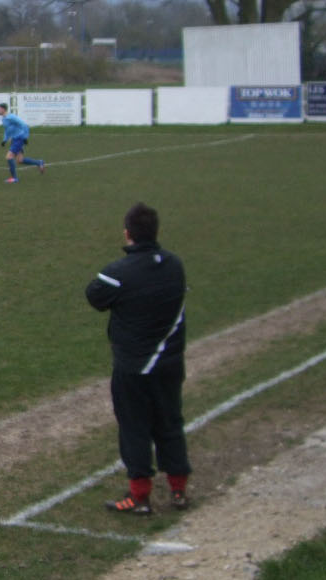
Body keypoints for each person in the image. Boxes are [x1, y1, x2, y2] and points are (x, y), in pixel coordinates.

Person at [86, 202, 191, 515]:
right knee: (170, 422)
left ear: (128, 233)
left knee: (135, 428)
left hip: (134, 366)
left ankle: (140, 496)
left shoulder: (118, 273)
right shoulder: (175, 265)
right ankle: (178, 490)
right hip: (170, 363)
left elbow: (94, 295)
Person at [0, 103, 47, 183]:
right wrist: (4, 140)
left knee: (9, 157)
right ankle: (39, 162)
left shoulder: (11, 117)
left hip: (19, 138)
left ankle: (14, 178)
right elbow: (7, 131)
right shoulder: (4, 119)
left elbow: (24, 125)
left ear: (3, 109)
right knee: (20, 160)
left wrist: (25, 137)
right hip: (14, 139)